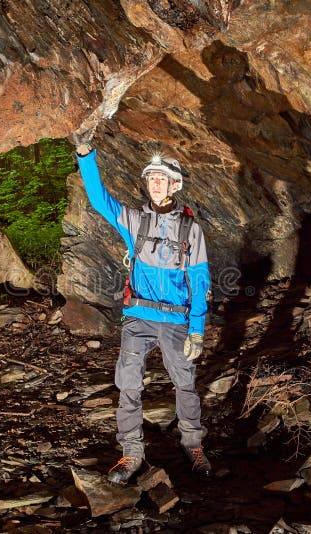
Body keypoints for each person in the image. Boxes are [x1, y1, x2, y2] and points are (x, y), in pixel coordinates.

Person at [75, 141, 212, 484]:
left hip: (177, 319)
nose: (155, 183)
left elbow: (200, 281)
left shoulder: (190, 230)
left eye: (161, 178)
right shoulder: (135, 221)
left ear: (174, 185)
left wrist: (197, 328)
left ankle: (193, 446)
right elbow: (98, 199)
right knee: (129, 384)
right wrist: (85, 155)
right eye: (151, 177)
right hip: (138, 316)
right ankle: (131, 453)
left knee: (185, 383)